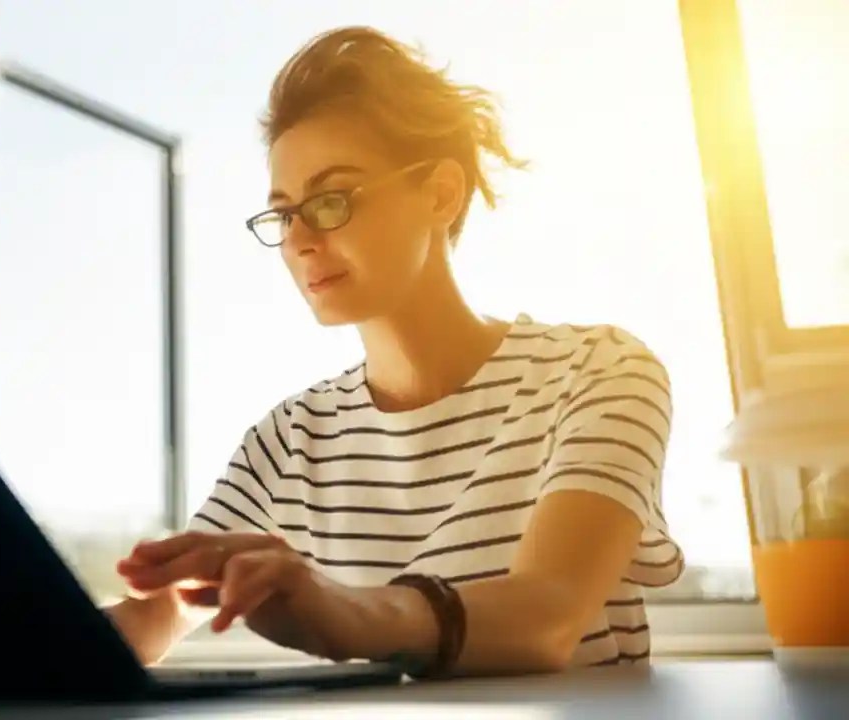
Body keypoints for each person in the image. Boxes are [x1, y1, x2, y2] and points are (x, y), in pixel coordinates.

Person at [106, 25, 683, 676]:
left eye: (330, 200)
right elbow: (152, 617)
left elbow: (548, 615)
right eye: (284, 213)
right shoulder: (290, 438)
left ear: (440, 193)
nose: (298, 240)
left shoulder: (598, 371)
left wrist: (350, 613)